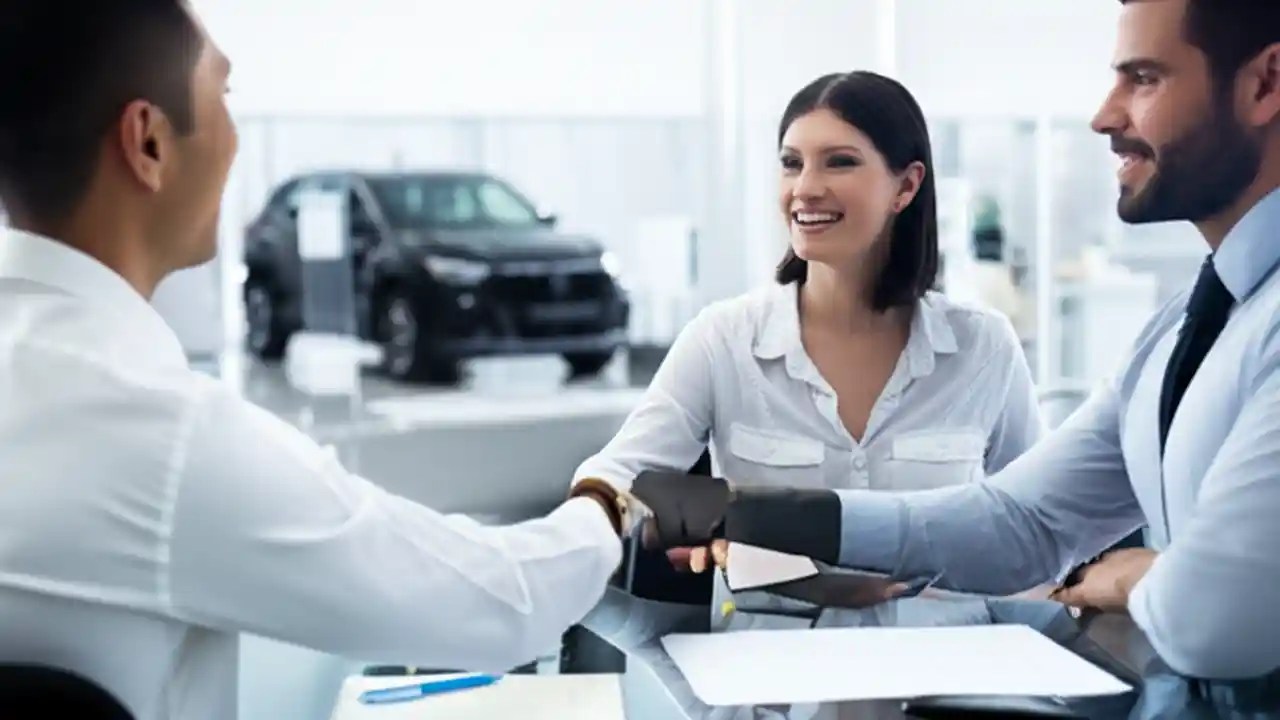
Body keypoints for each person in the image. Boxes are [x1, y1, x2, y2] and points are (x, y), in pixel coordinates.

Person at [0, 3, 649, 719]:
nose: (235, 137)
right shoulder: (159, 437)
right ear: (148, 142)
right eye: (223, 95)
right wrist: (606, 501)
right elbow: (498, 603)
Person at [678, 0, 1280, 683]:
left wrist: (1139, 578)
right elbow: (1021, 523)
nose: (1104, 116)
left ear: (1265, 83)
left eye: (1143, 78)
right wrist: (764, 514)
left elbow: (1217, 623)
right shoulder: (1180, 330)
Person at [573, 72, 1044, 616]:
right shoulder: (724, 339)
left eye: (838, 162)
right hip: (770, 684)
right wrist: (589, 521)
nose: (805, 187)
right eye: (792, 162)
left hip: (942, 679)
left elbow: (1037, 526)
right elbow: (618, 477)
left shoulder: (983, 347)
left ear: (906, 186)